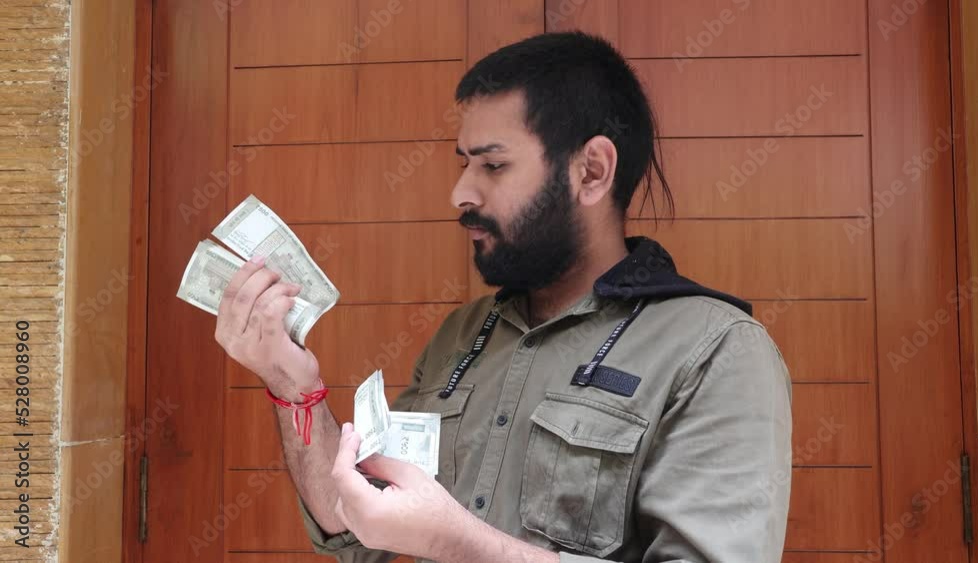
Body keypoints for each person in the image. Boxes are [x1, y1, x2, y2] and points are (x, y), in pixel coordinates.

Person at [214, 31, 792, 563]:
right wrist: (293, 387)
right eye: (465, 163)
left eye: (493, 164)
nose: (460, 192)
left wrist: (456, 542)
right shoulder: (462, 336)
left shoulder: (717, 351)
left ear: (591, 171)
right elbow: (356, 531)